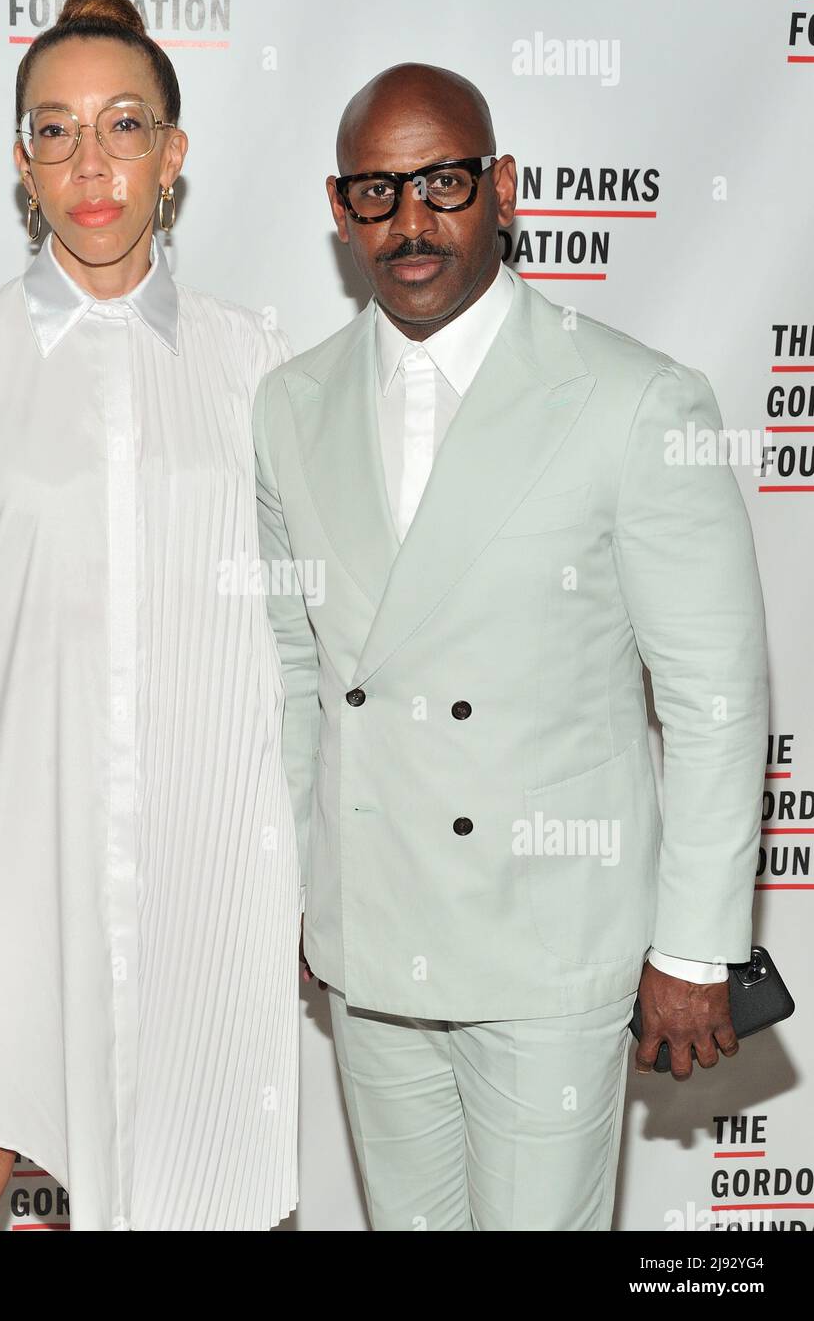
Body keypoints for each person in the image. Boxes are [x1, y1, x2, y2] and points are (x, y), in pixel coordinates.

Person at [0, 0, 299, 1232]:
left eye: (125, 125)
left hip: (206, 863)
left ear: (172, 158)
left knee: (191, 1195)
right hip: (8, 848)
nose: (92, 162)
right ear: (21, 164)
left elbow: (310, 635)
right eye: (55, 130)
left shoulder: (260, 365)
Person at [254, 62, 770, 1230]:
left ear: (506, 189)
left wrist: (695, 947)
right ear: (340, 213)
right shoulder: (288, 407)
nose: (413, 222)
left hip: (551, 942)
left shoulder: (635, 399)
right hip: (375, 938)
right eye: (377, 194)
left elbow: (713, 697)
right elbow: (297, 673)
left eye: (443, 181)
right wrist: (294, 883)